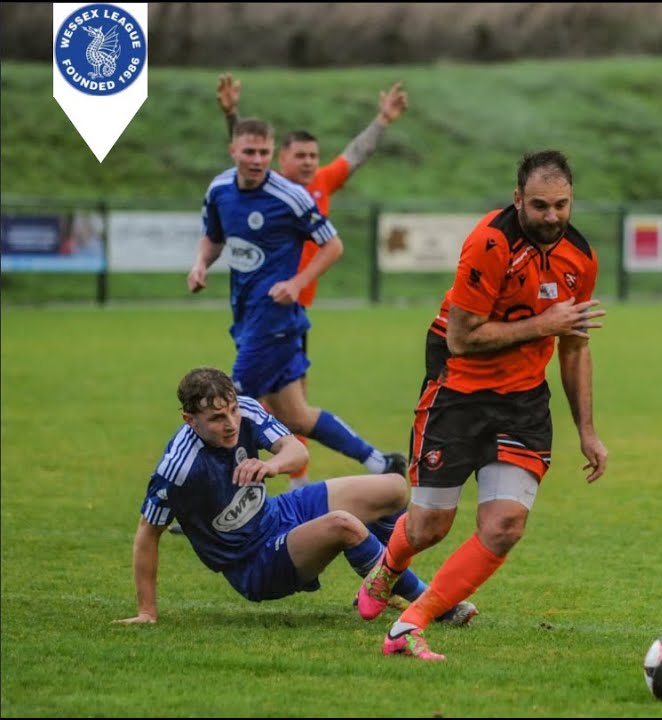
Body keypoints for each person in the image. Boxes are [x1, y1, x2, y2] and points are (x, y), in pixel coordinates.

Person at [354, 150, 609, 662]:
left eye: (561, 205)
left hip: (522, 404)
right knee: (430, 527)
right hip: (458, 394)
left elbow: (575, 347)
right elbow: (463, 339)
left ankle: (411, 622)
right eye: (539, 205)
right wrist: (545, 324)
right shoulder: (488, 244)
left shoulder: (580, 259)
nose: (552, 217)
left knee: (504, 526)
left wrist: (587, 430)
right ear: (517, 199)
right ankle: (387, 568)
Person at [114, 367, 475, 625]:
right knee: (343, 525)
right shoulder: (178, 469)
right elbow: (148, 533)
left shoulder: (247, 410)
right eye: (216, 418)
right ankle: (433, 604)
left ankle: (383, 580)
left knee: (393, 487)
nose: (230, 424)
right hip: (253, 563)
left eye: (233, 411)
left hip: (278, 513)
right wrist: (147, 612)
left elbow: (297, 452)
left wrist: (272, 466)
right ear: (189, 420)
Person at [215, 73, 409, 491]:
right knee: (291, 411)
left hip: (284, 314)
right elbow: (245, 157)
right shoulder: (268, 187)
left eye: (312, 156)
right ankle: (373, 464)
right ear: (279, 159)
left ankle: (227, 496)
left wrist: (382, 120)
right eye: (299, 155)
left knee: (241, 404)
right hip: (266, 310)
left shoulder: (318, 185)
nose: (307, 162)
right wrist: (232, 114)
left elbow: (356, 154)